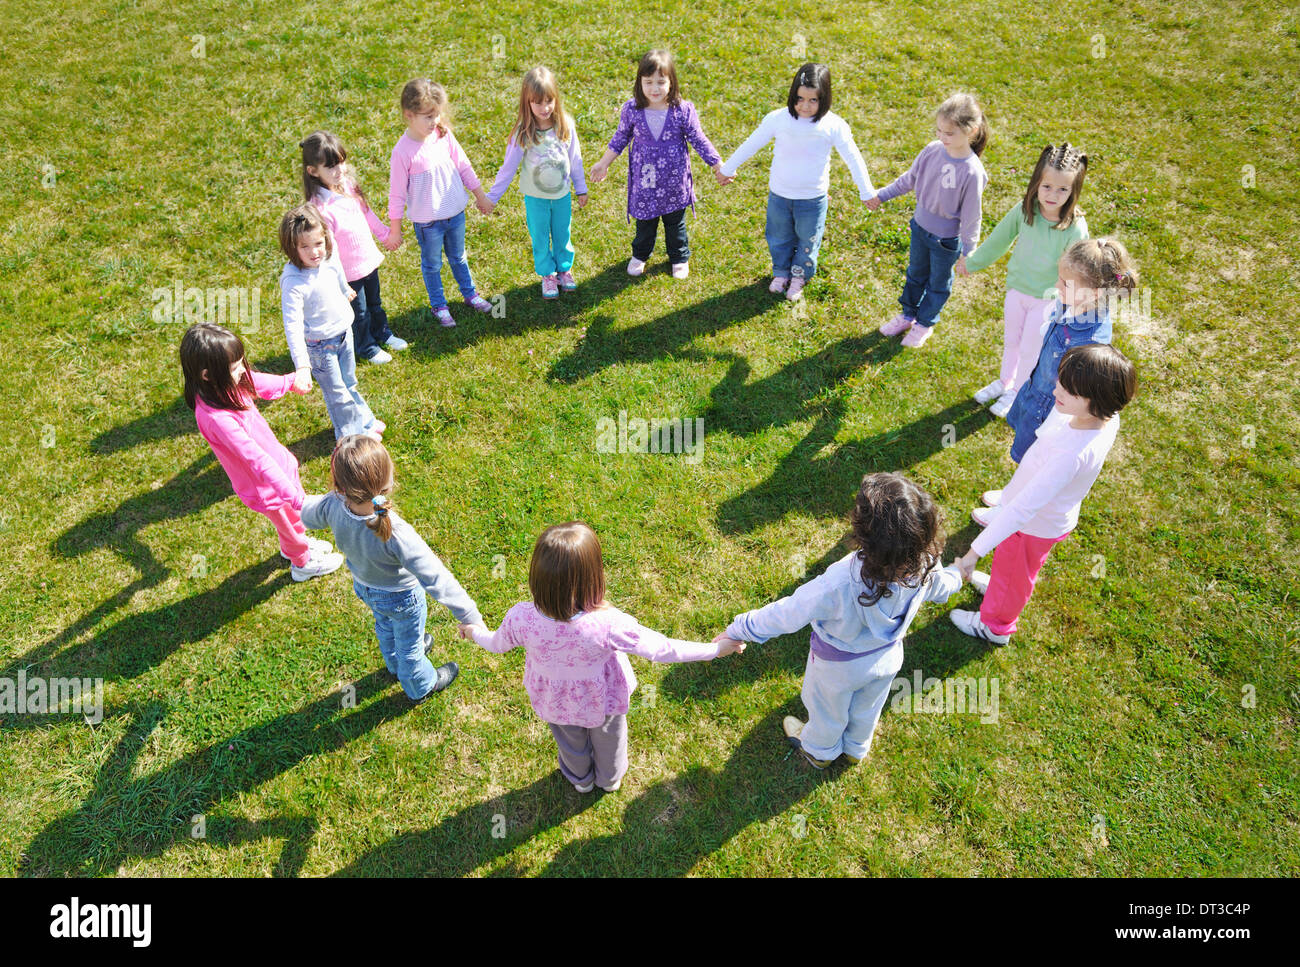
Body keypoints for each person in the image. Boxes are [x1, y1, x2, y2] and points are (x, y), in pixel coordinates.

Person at [459, 522, 743, 793]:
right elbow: (662, 648)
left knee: (570, 743)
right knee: (610, 740)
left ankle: (581, 780)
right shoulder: (607, 624)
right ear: (592, 578)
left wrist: (474, 632)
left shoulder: (521, 618)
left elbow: (496, 644)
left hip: (554, 700)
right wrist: (715, 650)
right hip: (604, 698)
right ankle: (609, 779)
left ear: (537, 576)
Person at [715, 473, 963, 767]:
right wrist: (958, 575)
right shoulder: (924, 564)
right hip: (886, 659)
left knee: (827, 712)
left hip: (836, 667)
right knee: (868, 708)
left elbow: (789, 612)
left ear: (865, 534)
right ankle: (856, 748)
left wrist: (740, 629)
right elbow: (942, 587)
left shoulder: (840, 582)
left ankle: (820, 752)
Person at [951, 344, 1137, 645]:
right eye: (1061, 381)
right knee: (1010, 570)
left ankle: (995, 626)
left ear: (1099, 401)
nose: (1056, 391)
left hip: (1032, 525)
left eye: (1070, 390)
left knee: (1014, 576)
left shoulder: (1070, 455)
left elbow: (1022, 510)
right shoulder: (1102, 418)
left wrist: (972, 555)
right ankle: (1000, 588)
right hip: (1040, 517)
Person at [302, 435, 481, 701]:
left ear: (339, 485)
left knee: (384, 626)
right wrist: (469, 614)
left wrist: (290, 495)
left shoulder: (332, 504)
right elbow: (435, 576)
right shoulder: (396, 533)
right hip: (402, 599)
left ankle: (394, 663)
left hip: (365, 588)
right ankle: (420, 685)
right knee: (411, 647)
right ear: (387, 482)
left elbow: (307, 515)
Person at [180, 322, 342, 581]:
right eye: (235, 367)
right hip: (265, 486)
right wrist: (295, 498)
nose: (242, 371)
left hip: (278, 472)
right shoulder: (216, 419)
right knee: (288, 524)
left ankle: (296, 544)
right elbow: (256, 459)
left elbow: (255, 381)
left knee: (292, 519)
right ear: (207, 375)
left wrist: (290, 381)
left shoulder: (224, 385)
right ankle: (302, 562)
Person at [720, 63, 876, 301]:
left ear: (825, 99)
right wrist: (728, 168)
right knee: (778, 237)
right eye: (800, 98)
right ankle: (781, 271)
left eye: (813, 100)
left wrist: (866, 191)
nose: (805, 106)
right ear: (792, 95)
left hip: (812, 199)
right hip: (779, 196)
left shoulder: (834, 126)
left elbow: (853, 158)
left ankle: (799, 275)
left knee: (808, 240)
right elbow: (752, 143)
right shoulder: (777, 119)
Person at [958, 143, 1090, 417]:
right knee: (1012, 341)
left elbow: (1078, 268)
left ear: (1073, 191)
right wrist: (972, 262)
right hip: (1017, 290)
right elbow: (998, 241)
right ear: (1036, 183)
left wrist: (1075, 302)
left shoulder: (1075, 227)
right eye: (1047, 186)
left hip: (1047, 300)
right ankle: (1005, 381)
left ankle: (1018, 391)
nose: (1052, 195)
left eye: (1062, 189)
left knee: (1030, 349)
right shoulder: (1024, 211)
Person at [588, 49, 730, 279]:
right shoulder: (632, 109)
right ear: (639, 82)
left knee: (675, 222)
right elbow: (620, 137)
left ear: (671, 82)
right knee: (645, 221)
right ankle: (640, 255)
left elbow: (698, 138)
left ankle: (679, 257)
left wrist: (717, 164)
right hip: (645, 179)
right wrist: (604, 163)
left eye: (661, 82)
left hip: (674, 180)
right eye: (649, 82)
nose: (655, 88)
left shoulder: (682, 110)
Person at [870, 92, 990, 348]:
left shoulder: (972, 172)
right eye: (939, 130)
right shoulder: (932, 150)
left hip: (945, 241)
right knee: (915, 274)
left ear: (971, 131)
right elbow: (909, 179)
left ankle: (924, 323)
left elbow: (972, 217)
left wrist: (968, 251)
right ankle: (907, 315)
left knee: (938, 283)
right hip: (919, 228)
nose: (942, 137)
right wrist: (882, 195)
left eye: (949, 133)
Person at [386, 78, 495, 328]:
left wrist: (480, 196)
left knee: (459, 257)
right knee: (432, 264)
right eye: (428, 116)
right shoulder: (402, 152)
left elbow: (464, 165)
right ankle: (439, 305)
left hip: (455, 214)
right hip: (428, 224)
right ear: (409, 115)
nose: (434, 121)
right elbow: (397, 194)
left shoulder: (443, 135)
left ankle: (470, 294)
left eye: (436, 114)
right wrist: (395, 229)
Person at [484, 66, 588, 299]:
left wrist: (581, 188)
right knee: (540, 236)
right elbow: (508, 168)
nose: (544, 108)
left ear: (556, 99)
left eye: (549, 101)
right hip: (536, 199)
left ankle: (564, 269)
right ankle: (547, 274)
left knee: (562, 233)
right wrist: (492, 198)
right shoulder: (524, 133)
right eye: (537, 102)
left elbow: (575, 159)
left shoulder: (565, 125)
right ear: (527, 102)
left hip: (561, 196)